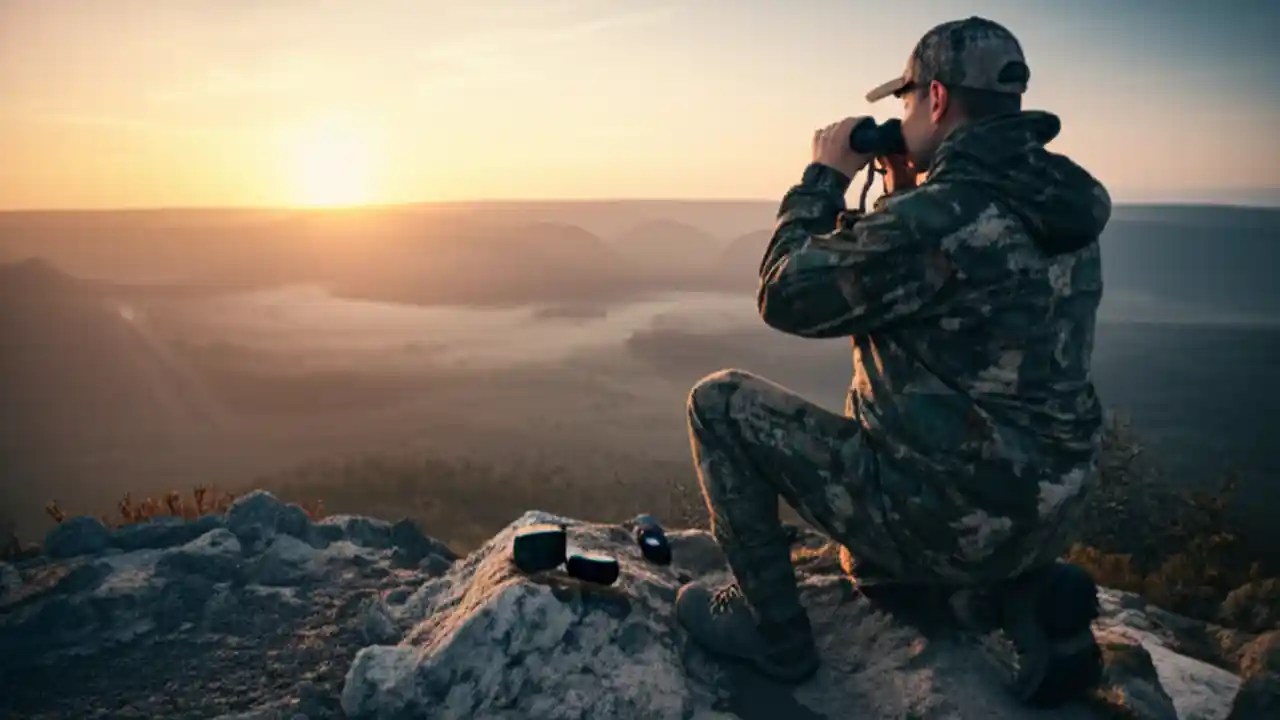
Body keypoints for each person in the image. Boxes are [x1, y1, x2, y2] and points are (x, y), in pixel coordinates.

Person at [675, 16, 1110, 705]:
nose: (902, 120)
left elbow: (784, 294)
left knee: (718, 404)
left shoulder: (941, 216)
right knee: (868, 567)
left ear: (935, 98)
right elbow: (953, 292)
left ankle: (772, 631)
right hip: (1049, 509)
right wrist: (905, 193)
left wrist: (823, 178)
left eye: (905, 103)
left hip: (954, 517)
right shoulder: (1058, 203)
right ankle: (1012, 597)